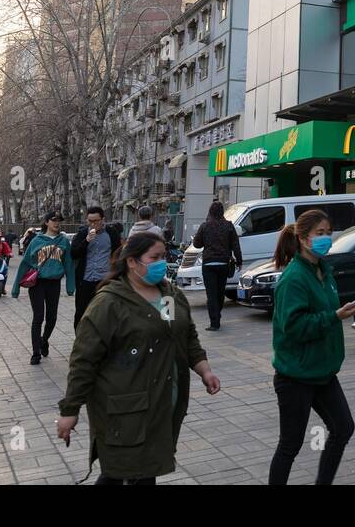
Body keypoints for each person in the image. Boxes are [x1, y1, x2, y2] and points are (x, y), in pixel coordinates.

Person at [56, 233, 219, 485]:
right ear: (132, 262)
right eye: (154, 258)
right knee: (118, 472)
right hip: (125, 407)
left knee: (146, 470)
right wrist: (70, 410)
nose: (161, 263)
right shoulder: (109, 303)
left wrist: (205, 371)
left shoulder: (167, 295)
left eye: (163, 257)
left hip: (162, 403)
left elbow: (182, 337)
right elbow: (84, 360)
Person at [268, 209, 355, 485]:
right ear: (304, 238)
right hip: (295, 375)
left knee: (343, 427)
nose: (326, 239)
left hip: (322, 371)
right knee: (291, 444)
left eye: (328, 233)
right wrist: (334, 317)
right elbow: (293, 328)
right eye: (319, 234)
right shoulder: (294, 278)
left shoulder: (323, 272)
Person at [10, 212, 74, 365]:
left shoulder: (64, 241)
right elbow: (25, 263)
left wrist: (70, 286)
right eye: (54, 220)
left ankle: (44, 340)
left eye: (59, 220)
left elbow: (69, 265)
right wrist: (16, 288)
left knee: (52, 318)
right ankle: (35, 353)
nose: (57, 223)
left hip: (54, 284)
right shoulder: (36, 241)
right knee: (38, 317)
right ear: (46, 222)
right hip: (37, 284)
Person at [69, 207, 122, 329]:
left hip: (104, 281)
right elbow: (74, 253)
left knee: (105, 314)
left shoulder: (111, 233)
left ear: (103, 219)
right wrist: (86, 241)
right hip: (85, 280)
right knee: (81, 314)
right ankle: (81, 341)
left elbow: (118, 254)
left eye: (96, 220)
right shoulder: (82, 233)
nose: (93, 224)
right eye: (90, 221)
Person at [192, 200, 240, 332]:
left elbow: (197, 244)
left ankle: (214, 322)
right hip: (223, 264)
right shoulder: (229, 226)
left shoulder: (204, 226)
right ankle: (217, 314)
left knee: (211, 294)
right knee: (220, 292)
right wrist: (239, 261)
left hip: (208, 264)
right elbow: (235, 245)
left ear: (210, 212)